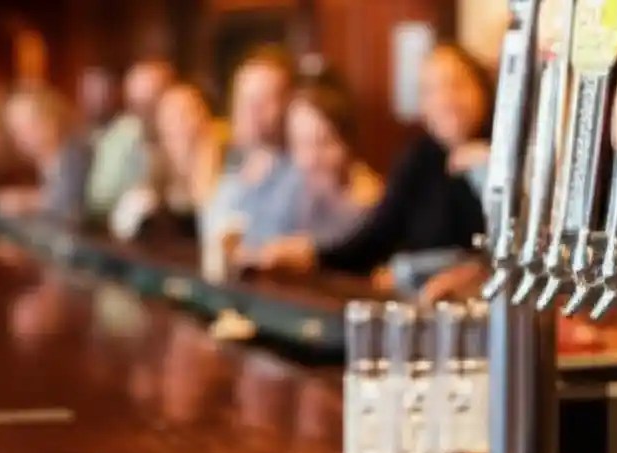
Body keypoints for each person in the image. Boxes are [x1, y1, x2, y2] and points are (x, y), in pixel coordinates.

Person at [255, 45, 494, 302]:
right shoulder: (420, 157)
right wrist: (313, 255)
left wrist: (475, 275)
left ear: (483, 89)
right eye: (429, 90)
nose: (444, 100)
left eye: (455, 85)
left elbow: (515, 250)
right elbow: (375, 240)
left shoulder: (511, 156)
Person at [249, 79, 381, 253]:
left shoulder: (371, 206)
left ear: (348, 142)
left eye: (323, 143)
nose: (310, 159)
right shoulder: (293, 182)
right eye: (300, 144)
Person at [200, 45, 296, 249]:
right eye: (244, 98)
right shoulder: (226, 163)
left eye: (264, 99)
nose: (251, 109)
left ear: (289, 104)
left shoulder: (302, 172)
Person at [110, 83, 226, 240]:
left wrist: (203, 162)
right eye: (170, 117)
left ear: (203, 118)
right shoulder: (155, 173)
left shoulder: (224, 167)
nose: (180, 124)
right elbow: (122, 226)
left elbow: (215, 223)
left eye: (187, 114)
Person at [86, 59, 175, 217]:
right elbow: (100, 198)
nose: (145, 113)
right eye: (137, 103)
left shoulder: (188, 136)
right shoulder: (121, 136)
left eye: (152, 101)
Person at [0, 86, 92, 223]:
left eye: (26, 127)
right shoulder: (49, 159)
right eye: (14, 131)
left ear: (51, 122)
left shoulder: (74, 154)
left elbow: (69, 204)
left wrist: (25, 202)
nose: (20, 139)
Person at [77, 65, 120, 143]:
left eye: (98, 91)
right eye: (89, 90)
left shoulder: (125, 133)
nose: (93, 97)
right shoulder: (76, 135)